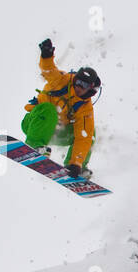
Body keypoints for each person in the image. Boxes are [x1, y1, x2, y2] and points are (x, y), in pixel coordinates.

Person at [21, 38, 101, 179]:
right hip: (35, 123)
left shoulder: (85, 108)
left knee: (89, 133)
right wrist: (46, 55)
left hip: (56, 133)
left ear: (90, 90)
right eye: (78, 81)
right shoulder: (62, 80)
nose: (78, 86)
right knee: (50, 109)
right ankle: (34, 146)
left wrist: (75, 163)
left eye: (83, 85)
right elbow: (49, 71)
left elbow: (84, 138)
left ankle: (76, 167)